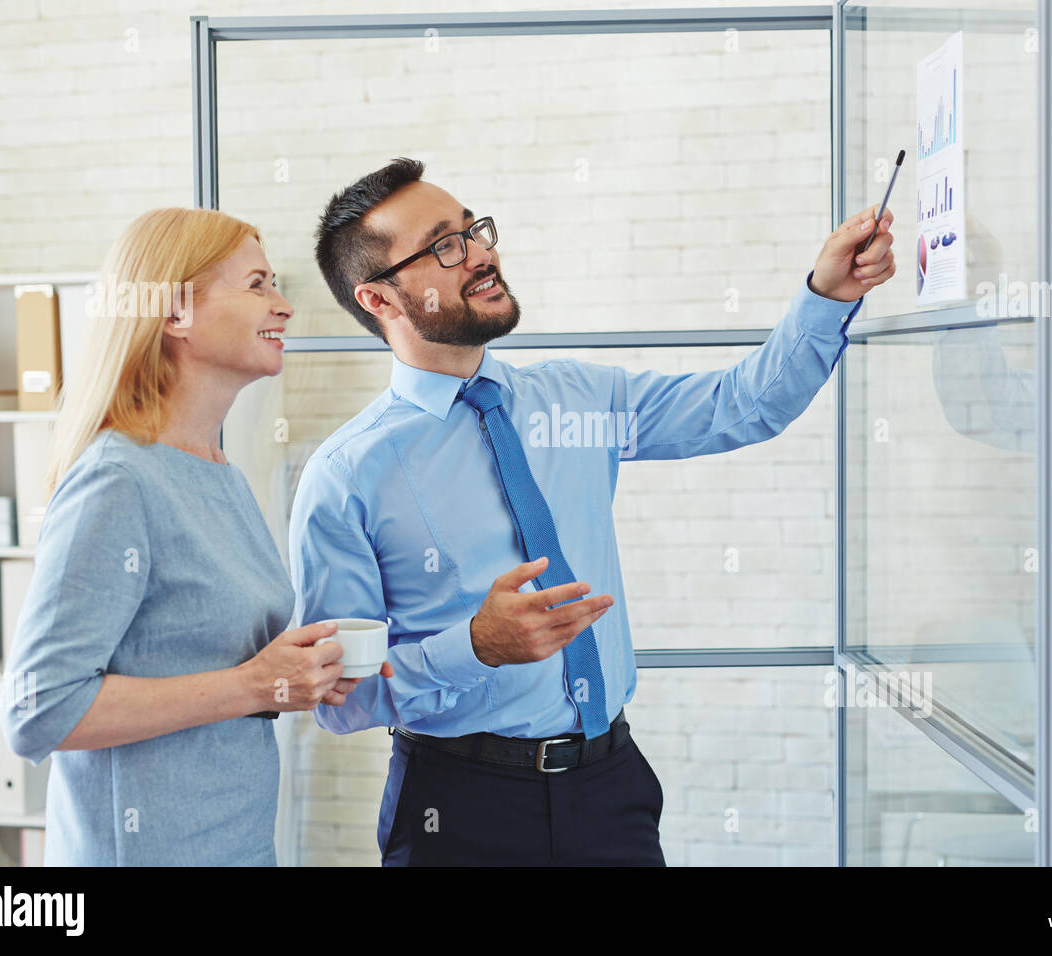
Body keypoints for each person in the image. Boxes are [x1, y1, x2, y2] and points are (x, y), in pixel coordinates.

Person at [291, 157, 895, 865]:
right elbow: (340, 695)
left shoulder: (577, 400)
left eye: (473, 231)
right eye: (444, 246)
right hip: (456, 810)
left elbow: (746, 406)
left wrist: (826, 293)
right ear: (379, 300)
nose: (481, 254)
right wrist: (473, 647)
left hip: (612, 793)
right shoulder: (347, 476)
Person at [3, 207, 387, 866]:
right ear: (176, 312)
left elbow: (204, 660)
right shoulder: (118, 478)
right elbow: (40, 709)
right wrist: (255, 685)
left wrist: (295, 677)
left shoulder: (221, 474)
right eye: (258, 284)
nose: (285, 306)